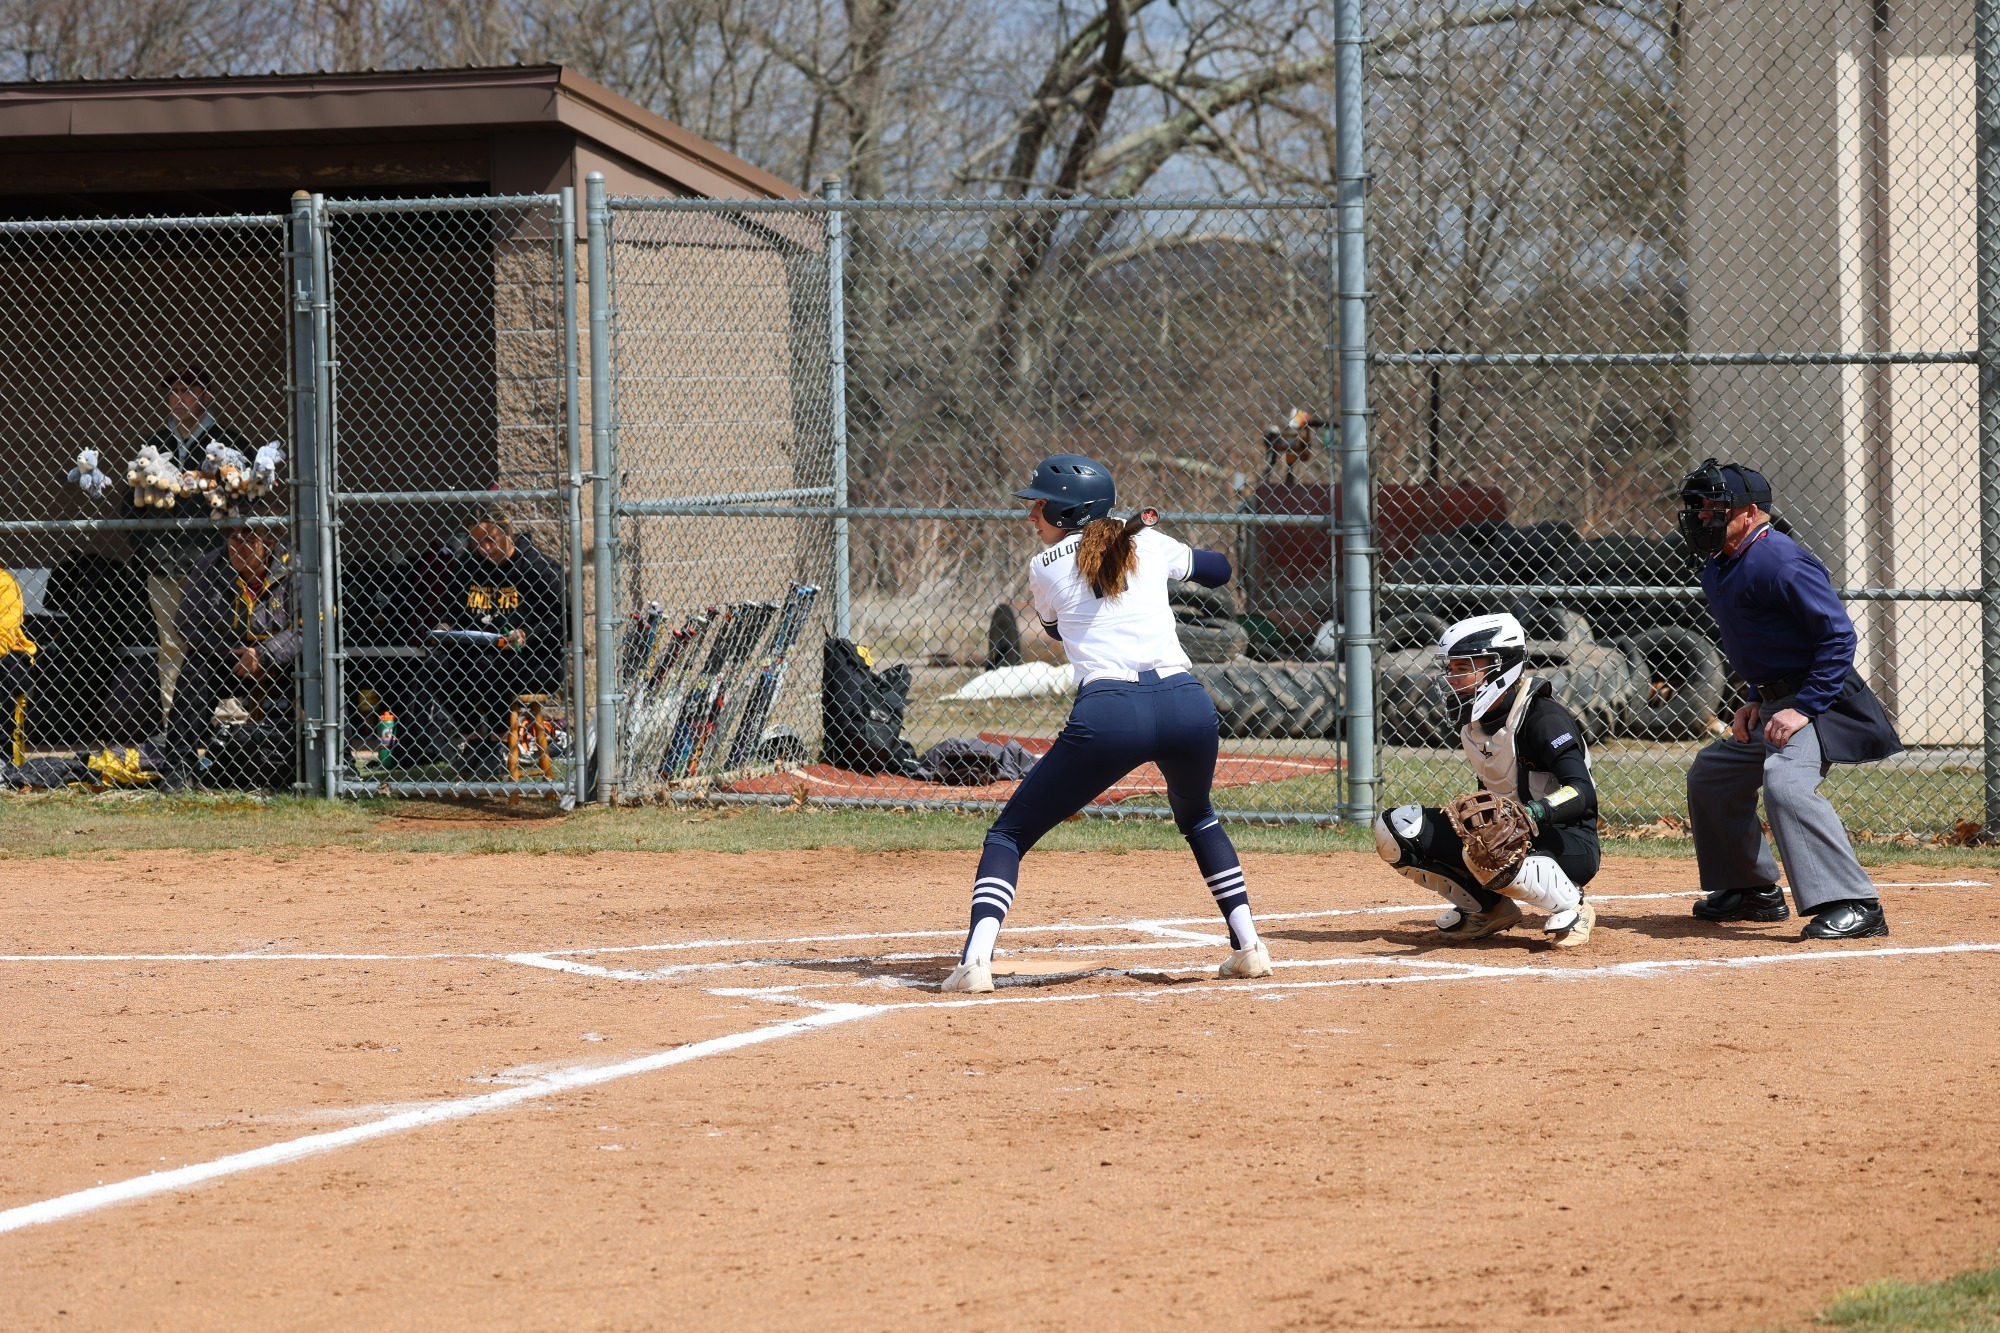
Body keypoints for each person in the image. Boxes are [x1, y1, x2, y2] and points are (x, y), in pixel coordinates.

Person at [940, 454, 1270, 993]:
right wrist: (1171, 552)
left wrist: (1128, 547)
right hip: (1188, 705)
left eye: (1040, 506)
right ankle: (1250, 945)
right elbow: (1220, 572)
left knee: (1008, 834)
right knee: (1199, 818)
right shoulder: (1147, 542)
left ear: (1070, 510)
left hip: (1111, 714)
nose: (1032, 516)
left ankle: (975, 963)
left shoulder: (1045, 567)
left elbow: (1053, 630)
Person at [1679, 460, 1902, 940]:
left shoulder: (1780, 560)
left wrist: (1803, 707)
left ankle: (1855, 903)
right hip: (1778, 700)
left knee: (1786, 782)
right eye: (1697, 510)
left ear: (1751, 512)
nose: (1701, 519)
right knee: (1713, 776)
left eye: (1713, 509)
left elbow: (1838, 638)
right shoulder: (1721, 564)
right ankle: (1751, 889)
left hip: (1822, 700)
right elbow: (1765, 641)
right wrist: (1756, 698)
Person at [1374, 612, 1599, 946]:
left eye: (1464, 669)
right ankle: (1489, 909)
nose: (1452, 679)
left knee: (1495, 844)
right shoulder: (1475, 722)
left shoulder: (1543, 718)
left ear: (1500, 668)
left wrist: (1532, 814)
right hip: (1511, 835)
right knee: (1398, 828)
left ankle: (1573, 906)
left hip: (1569, 842)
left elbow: (1582, 793)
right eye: (1451, 669)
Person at [66, 368, 255, 710]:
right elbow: (131, 503)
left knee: (222, 638)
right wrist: (147, 550)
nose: (180, 397)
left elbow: (249, 491)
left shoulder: (227, 441)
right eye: (174, 391)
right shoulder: (155, 445)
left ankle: (228, 725)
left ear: (207, 396)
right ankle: (176, 726)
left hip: (215, 560)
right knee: (170, 643)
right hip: (164, 560)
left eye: (189, 390)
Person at [404, 510, 566, 777]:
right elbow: (450, 610)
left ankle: (498, 739)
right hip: (477, 654)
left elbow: (563, 619)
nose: (485, 548)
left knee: (489, 664)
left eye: (490, 539)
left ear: (507, 533)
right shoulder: (468, 566)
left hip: (534, 659)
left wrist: (526, 633)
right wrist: (444, 627)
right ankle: (475, 737)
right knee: (433, 664)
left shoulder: (535, 566)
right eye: (477, 542)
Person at [161, 522, 298, 781]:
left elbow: (316, 627)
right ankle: (180, 769)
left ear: (269, 543)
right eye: (234, 537)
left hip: (285, 660)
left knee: (325, 668)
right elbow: (186, 622)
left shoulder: (298, 568)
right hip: (230, 658)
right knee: (195, 669)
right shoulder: (210, 565)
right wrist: (235, 653)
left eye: (249, 539)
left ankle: (340, 761)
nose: (238, 545)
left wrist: (266, 653)